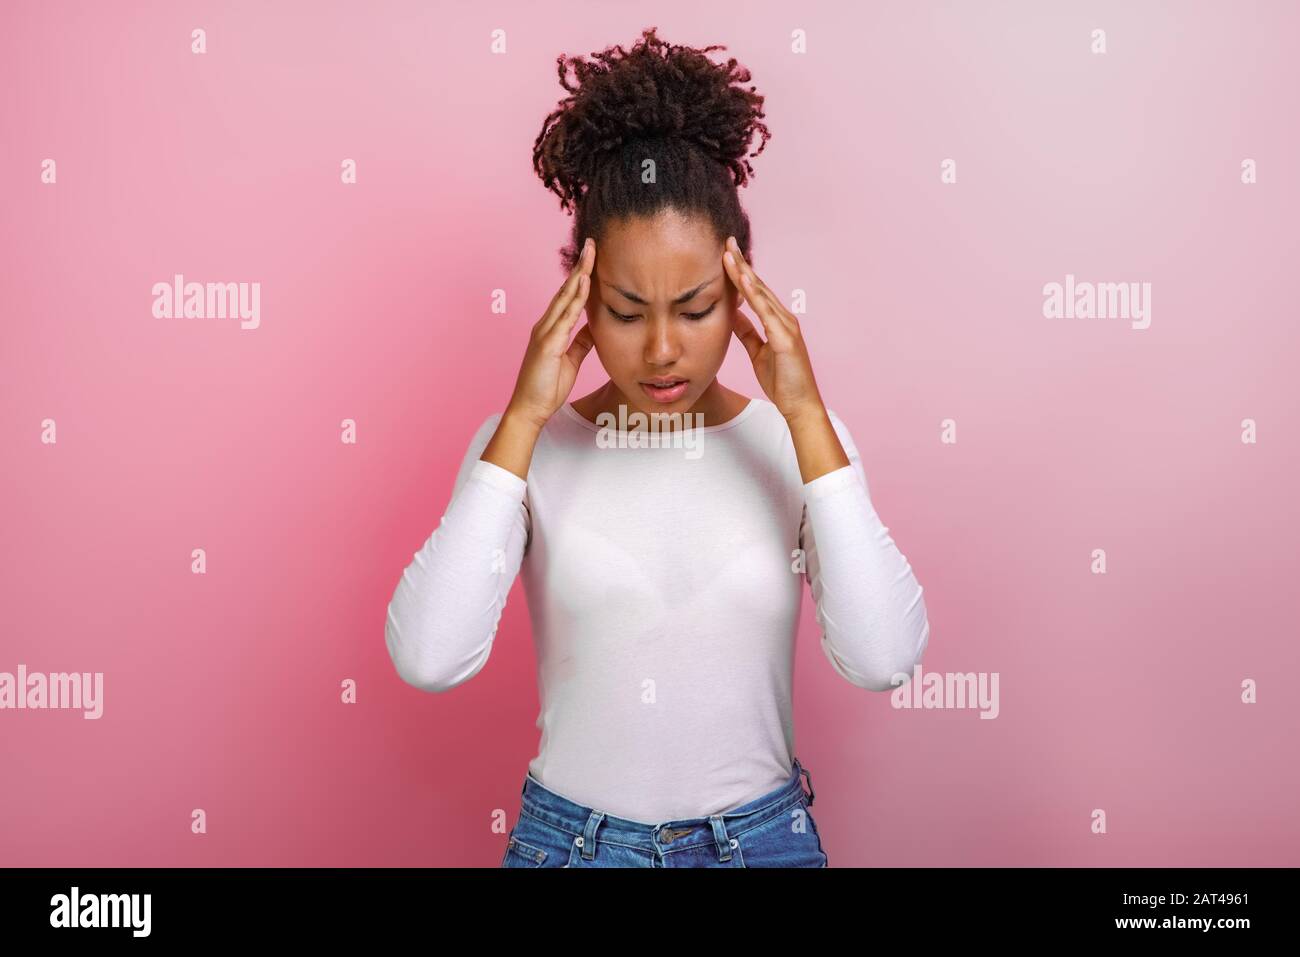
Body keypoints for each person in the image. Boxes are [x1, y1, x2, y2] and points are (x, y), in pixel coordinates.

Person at [385, 26, 930, 868]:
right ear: (580, 298)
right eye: (629, 312)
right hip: (570, 846)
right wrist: (523, 420)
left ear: (742, 285)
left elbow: (884, 658)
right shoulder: (527, 451)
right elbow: (427, 655)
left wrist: (807, 413)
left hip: (762, 844)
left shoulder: (795, 444)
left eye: (698, 306)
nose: (663, 348)